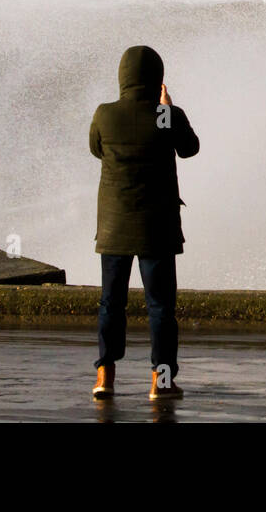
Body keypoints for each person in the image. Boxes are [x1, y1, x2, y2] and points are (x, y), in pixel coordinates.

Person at [89, 45, 199, 401]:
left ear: (123, 77)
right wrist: (165, 110)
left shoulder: (105, 114)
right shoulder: (166, 116)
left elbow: (96, 149)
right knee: (161, 307)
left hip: (114, 228)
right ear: (156, 78)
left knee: (111, 303)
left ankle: (104, 375)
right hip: (157, 229)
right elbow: (189, 148)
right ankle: (161, 382)